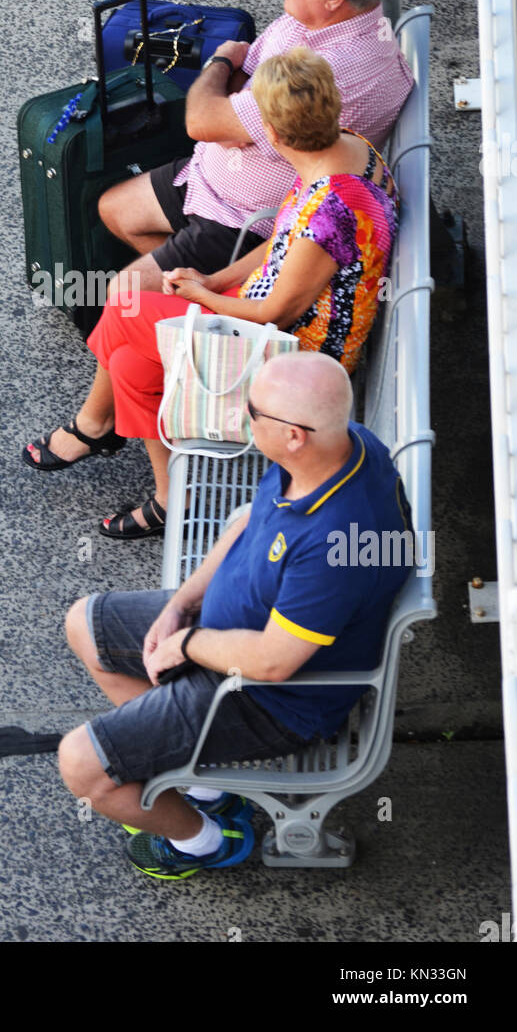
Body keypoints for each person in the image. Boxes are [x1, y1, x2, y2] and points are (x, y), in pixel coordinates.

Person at [58, 350, 416, 879]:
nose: (240, 417)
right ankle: (206, 785)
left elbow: (272, 662)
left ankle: (205, 842)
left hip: (269, 699)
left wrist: (186, 643)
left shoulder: (340, 541)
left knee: (82, 767)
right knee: (84, 623)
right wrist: (181, 604)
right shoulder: (340, 446)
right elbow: (247, 523)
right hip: (227, 634)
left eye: (251, 410)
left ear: (294, 434)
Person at [23, 47, 398, 541]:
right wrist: (215, 281)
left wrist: (204, 294)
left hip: (293, 354)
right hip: (271, 316)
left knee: (123, 306)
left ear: (277, 135)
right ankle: (162, 491)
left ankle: (97, 426)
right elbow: (276, 245)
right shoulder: (346, 147)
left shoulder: (328, 211)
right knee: (135, 361)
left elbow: (273, 313)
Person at [97, 0, 412, 304]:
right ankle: (194, 295)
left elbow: (200, 120)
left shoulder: (333, 71)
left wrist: (220, 62)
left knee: (121, 293)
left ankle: (211, 304)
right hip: (211, 177)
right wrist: (231, 116)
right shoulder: (310, 23)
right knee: (114, 208)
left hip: (246, 219)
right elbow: (232, 99)